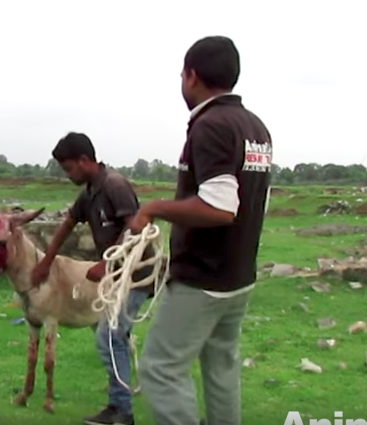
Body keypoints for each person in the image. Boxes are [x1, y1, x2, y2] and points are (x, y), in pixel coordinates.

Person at [129, 36, 272, 425]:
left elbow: (221, 207)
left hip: (203, 277)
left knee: (160, 367)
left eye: (182, 73)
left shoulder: (211, 125)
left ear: (191, 76)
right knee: (221, 367)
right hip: (238, 275)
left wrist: (155, 207)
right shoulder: (255, 127)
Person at [31, 132, 154, 425]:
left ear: (85, 161)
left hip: (135, 275)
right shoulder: (90, 191)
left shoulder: (115, 185)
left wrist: (103, 263)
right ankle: (118, 405)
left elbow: (135, 228)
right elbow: (68, 223)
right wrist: (46, 261)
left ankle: (121, 410)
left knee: (108, 336)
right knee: (115, 337)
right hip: (116, 276)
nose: (67, 175)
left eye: (69, 168)